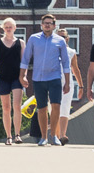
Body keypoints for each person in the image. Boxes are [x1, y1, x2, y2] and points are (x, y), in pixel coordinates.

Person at [19, 14, 74, 148]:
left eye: (50, 23)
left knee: (56, 106)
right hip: (38, 78)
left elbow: (66, 63)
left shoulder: (59, 41)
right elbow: (26, 59)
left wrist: (67, 82)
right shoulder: (34, 39)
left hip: (55, 78)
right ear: (41, 25)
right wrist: (22, 76)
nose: (47, 25)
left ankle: (54, 136)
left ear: (54, 26)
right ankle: (43, 137)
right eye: (45, 23)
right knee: (42, 108)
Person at [0, 17, 25, 145]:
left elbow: (24, 62)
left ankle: (17, 135)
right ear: (3, 28)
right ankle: (8, 136)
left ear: (15, 28)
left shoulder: (21, 43)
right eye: (6, 27)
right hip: (3, 77)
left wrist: (24, 76)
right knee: (6, 107)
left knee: (16, 106)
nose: (8, 29)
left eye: (11, 27)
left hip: (17, 78)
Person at [54, 42, 87, 146]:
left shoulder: (71, 52)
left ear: (67, 39)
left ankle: (62, 135)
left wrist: (81, 86)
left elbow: (75, 69)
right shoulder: (50, 49)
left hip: (67, 84)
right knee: (54, 110)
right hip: (52, 83)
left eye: (63, 37)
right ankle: (56, 136)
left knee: (64, 109)